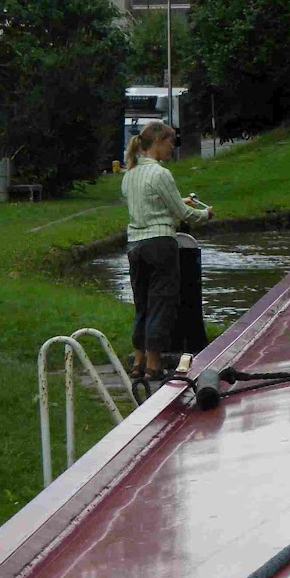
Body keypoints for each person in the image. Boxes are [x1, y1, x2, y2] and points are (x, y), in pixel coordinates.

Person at [121, 120, 212, 393]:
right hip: (160, 244)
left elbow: (150, 206)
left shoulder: (129, 174)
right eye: (170, 142)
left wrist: (177, 202)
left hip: (135, 246)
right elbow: (183, 215)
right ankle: (153, 366)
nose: (172, 147)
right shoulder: (161, 174)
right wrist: (204, 215)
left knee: (143, 303)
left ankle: (137, 362)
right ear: (158, 141)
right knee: (162, 303)